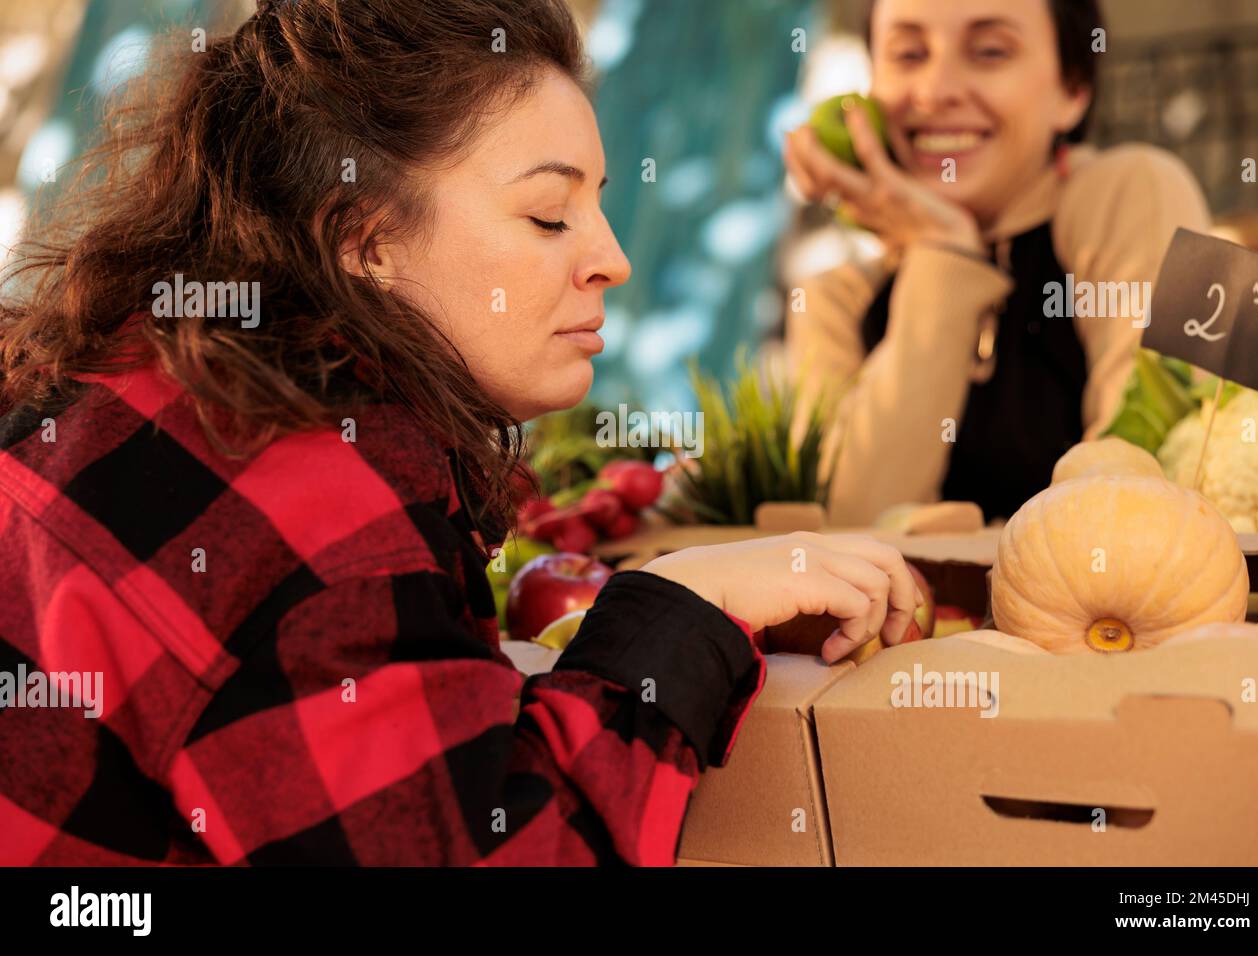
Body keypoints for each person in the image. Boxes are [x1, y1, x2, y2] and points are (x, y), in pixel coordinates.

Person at [0, 0, 917, 866]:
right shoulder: (306, 496)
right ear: (364, 241)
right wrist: (678, 616)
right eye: (550, 214)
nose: (612, 258)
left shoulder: (146, 377)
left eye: (597, 204)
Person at [783, 0, 1211, 525]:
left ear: (1072, 90)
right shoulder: (837, 299)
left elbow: (1147, 489)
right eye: (908, 54)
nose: (936, 91)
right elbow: (852, 531)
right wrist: (945, 250)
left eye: (989, 52)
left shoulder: (1133, 193)